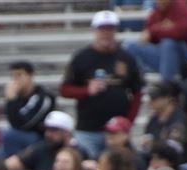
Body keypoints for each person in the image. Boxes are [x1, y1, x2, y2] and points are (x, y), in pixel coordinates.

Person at [59, 11, 142, 159]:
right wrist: (86, 90)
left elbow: (137, 92)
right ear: (95, 31)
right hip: (87, 129)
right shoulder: (81, 57)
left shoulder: (126, 58)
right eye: (102, 29)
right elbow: (65, 90)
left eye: (110, 29)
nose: (106, 33)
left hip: (116, 131)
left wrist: (128, 121)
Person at [0, 60, 56, 160]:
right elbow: (14, 123)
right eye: (13, 76)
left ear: (31, 76)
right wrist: (12, 100)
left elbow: (24, 124)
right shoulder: (18, 97)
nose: (15, 80)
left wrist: (11, 101)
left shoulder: (43, 96)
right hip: (20, 138)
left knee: (9, 135)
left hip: (40, 139)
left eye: (19, 75)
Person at [125, 0, 187, 82]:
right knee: (130, 46)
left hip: (186, 58)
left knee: (168, 43)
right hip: (164, 57)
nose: (160, 2)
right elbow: (147, 34)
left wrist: (156, 30)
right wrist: (162, 28)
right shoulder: (157, 10)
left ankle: (166, 86)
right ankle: (138, 84)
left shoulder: (181, 6)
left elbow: (179, 33)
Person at [142, 80, 187, 155]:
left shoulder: (179, 120)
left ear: (169, 98)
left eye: (155, 97)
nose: (150, 100)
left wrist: (153, 145)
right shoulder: (154, 119)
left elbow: (173, 150)